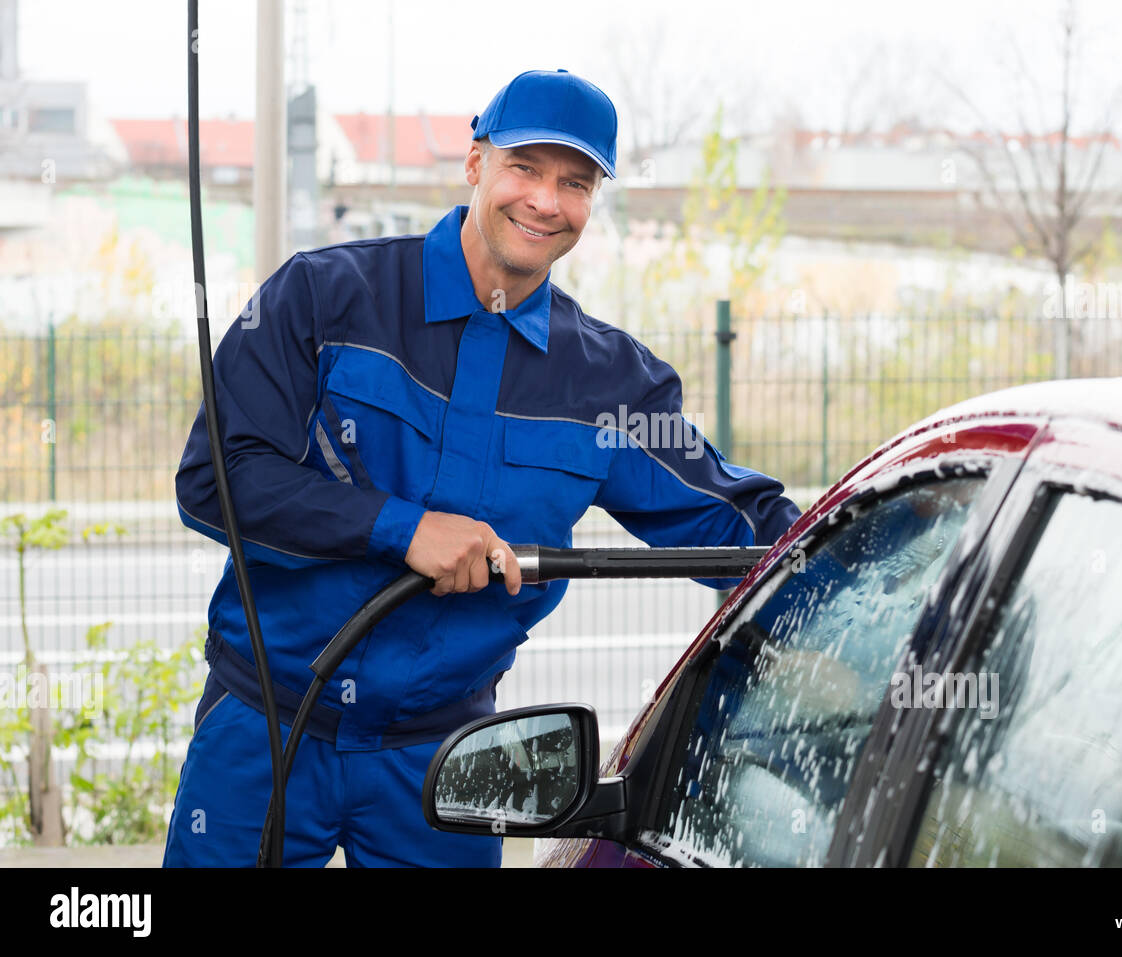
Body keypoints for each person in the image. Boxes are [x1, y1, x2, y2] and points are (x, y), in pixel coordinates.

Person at [162, 68, 802, 867]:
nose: (545, 201)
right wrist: (401, 530)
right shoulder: (323, 299)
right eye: (525, 168)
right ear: (475, 164)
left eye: (574, 182)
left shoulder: (605, 384)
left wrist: (865, 568)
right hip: (263, 730)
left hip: (446, 766)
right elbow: (216, 481)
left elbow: (732, 522)